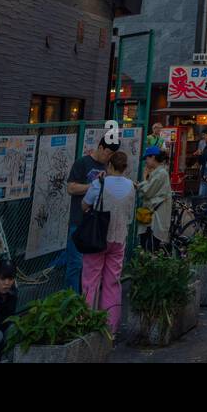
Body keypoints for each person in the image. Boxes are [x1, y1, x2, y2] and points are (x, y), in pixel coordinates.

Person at [81, 150, 136, 333]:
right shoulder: (131, 187)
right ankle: (110, 327)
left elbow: (85, 205)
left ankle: (88, 322)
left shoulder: (99, 183)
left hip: (97, 238)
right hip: (119, 238)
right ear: (125, 167)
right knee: (113, 281)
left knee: (91, 279)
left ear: (109, 165)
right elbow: (130, 213)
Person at [64, 137, 118, 292]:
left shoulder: (108, 167)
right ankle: (71, 299)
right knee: (76, 263)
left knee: (92, 265)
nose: (108, 157)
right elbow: (71, 188)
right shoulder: (82, 163)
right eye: (108, 153)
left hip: (99, 223)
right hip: (79, 221)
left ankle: (86, 298)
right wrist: (93, 186)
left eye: (112, 155)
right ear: (100, 147)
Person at [137, 146, 173, 252]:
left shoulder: (161, 173)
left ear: (153, 157)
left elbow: (147, 192)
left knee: (150, 247)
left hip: (155, 218)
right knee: (148, 244)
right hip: (152, 216)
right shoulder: (158, 172)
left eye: (147, 158)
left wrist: (143, 179)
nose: (146, 162)